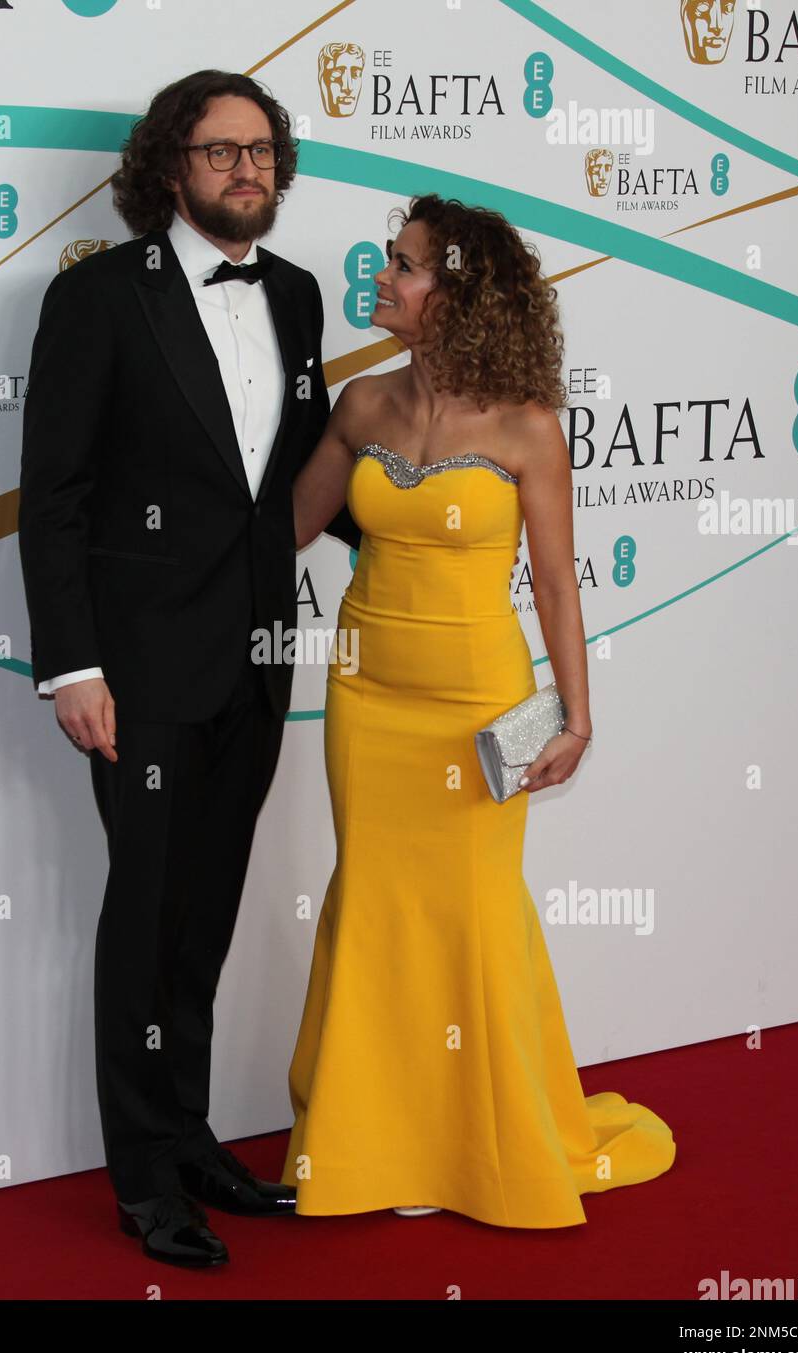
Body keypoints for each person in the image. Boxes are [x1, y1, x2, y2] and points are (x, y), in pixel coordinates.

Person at [17, 69, 359, 1269]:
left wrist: (438, 485)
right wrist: (73, 667)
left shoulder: (303, 297)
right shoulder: (102, 300)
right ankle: (146, 1175)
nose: (248, 171)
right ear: (170, 167)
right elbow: (52, 499)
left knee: (205, 913)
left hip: (261, 655)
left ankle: (196, 1134)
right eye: (222, 153)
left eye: (263, 151)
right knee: (145, 916)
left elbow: (305, 476)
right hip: (142, 670)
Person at [285, 194, 676, 1226]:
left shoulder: (526, 426)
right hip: (367, 697)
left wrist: (575, 720)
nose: (384, 278)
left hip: (481, 706)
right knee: (375, 902)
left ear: (457, 294)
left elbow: (555, 585)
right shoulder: (363, 404)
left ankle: (466, 1145)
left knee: (468, 914)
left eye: (405, 265)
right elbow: (284, 528)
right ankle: (380, 1144)